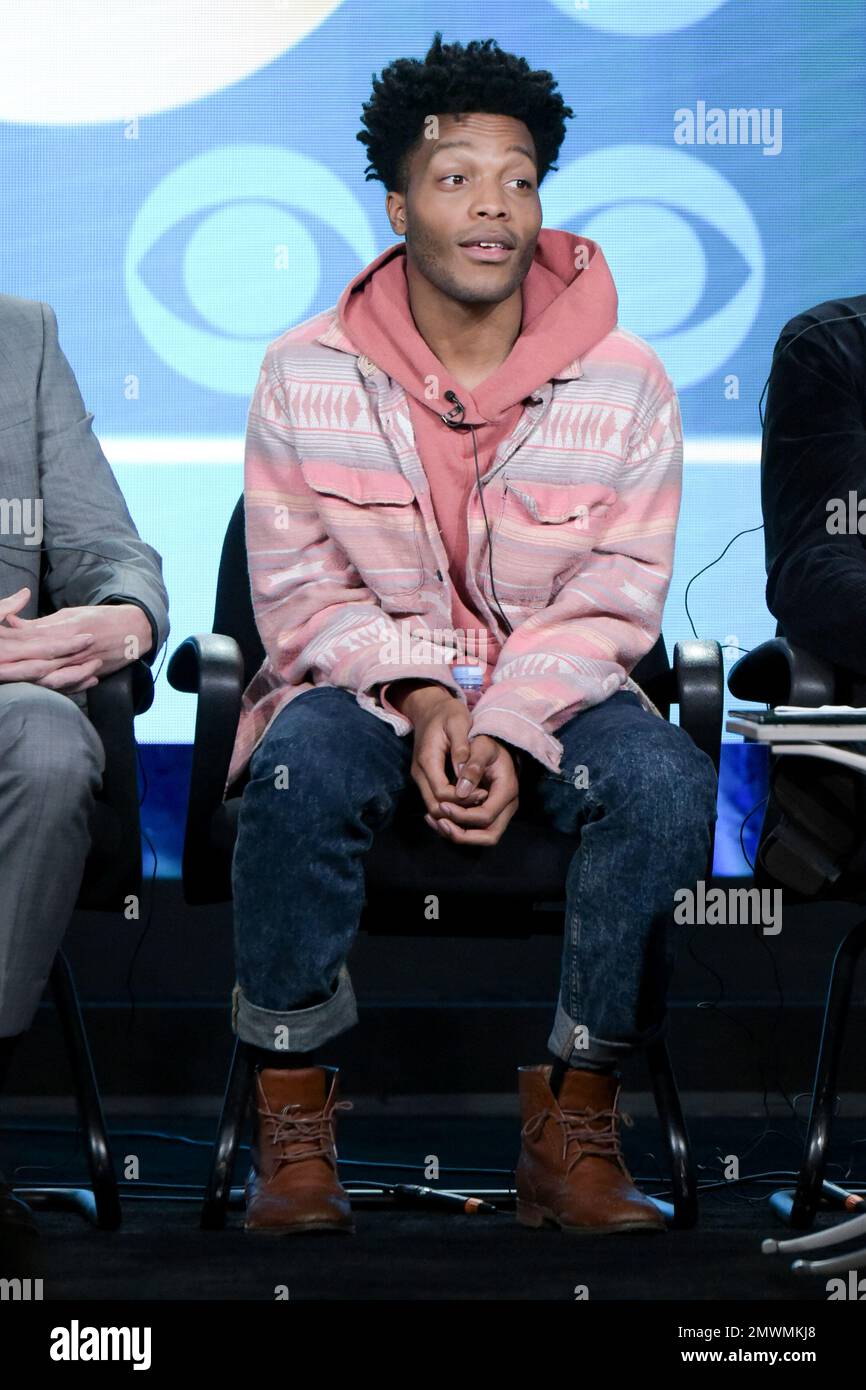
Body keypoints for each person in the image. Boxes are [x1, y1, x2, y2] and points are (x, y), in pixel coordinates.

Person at [228, 32, 718, 1237]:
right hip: (364, 691)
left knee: (661, 783)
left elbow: (614, 597)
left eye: (518, 177)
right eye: (455, 178)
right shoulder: (301, 372)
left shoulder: (627, 380)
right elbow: (295, 599)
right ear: (396, 205)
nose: (492, 205)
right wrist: (429, 700)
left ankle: (574, 1120)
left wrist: (500, 715)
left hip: (554, 693)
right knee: (292, 771)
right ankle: (291, 1132)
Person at [0, 294, 169, 1235]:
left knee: (51, 739)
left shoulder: (19, 338)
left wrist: (125, 616)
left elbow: (110, 546)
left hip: (8, 693)